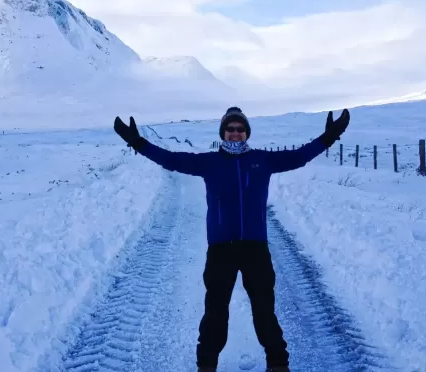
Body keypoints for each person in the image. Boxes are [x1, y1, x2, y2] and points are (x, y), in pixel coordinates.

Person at [113, 106, 350, 372]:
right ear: (222, 133)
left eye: (240, 129)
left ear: (247, 133)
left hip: (255, 249)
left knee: (264, 311)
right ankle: (206, 366)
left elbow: (300, 156)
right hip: (221, 250)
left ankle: (278, 364)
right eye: (230, 128)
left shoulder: (263, 160)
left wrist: (330, 136)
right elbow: (171, 159)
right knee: (215, 312)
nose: (235, 133)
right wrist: (137, 142)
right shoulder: (209, 162)